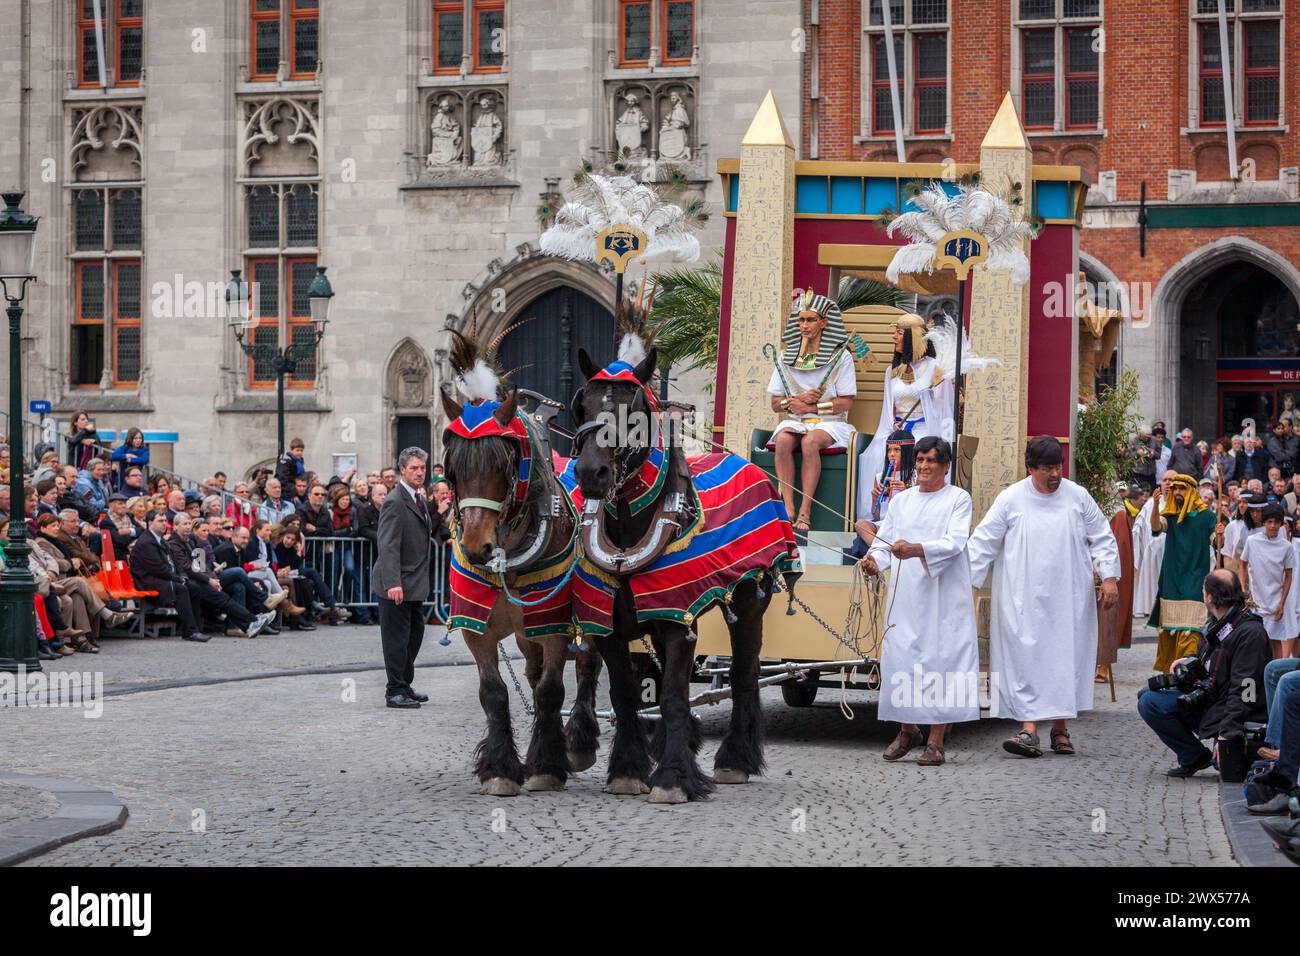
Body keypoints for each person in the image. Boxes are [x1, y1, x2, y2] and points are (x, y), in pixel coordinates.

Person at [967, 436, 1120, 758]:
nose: (1055, 474)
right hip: (1022, 597)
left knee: (1063, 658)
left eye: (1058, 467)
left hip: (1069, 595)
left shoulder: (1077, 497)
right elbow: (983, 542)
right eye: (1047, 468)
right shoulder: (1011, 499)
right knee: (1027, 658)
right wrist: (964, 584)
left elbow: (1102, 537)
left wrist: (1109, 578)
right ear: (1030, 469)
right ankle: (1029, 729)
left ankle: (1060, 728)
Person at [861, 437, 978, 765]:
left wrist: (916, 550)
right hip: (906, 593)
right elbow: (885, 540)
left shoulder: (958, 499)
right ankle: (907, 729)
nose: (925, 466)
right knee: (903, 658)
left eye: (932, 461)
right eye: (921, 460)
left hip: (943, 594)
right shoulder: (902, 501)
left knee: (940, 661)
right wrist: (875, 561)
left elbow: (955, 542)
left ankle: (936, 741)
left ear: (945, 465)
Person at [1137, 569, 1270, 777]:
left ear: (1209, 597)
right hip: (1213, 701)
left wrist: (1228, 734)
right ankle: (1194, 756)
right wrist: (1191, 659)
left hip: (1234, 714)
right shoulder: (1218, 621)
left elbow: (1246, 690)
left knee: (1227, 765)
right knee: (1149, 698)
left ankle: (1223, 747)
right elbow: (1209, 654)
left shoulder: (1250, 633)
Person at [765, 289, 859, 531]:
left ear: (823, 323)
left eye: (810, 320)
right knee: (784, 440)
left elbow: (846, 401)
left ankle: (805, 510)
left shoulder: (841, 357)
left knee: (809, 441)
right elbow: (776, 403)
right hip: (797, 420)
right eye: (801, 320)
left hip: (831, 422)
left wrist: (812, 406)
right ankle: (787, 507)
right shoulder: (786, 357)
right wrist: (795, 401)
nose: (804, 325)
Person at [857, 313, 954, 522]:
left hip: (926, 428)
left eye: (899, 333)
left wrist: (936, 389)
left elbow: (944, 410)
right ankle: (878, 513)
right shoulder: (892, 371)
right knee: (872, 454)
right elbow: (888, 409)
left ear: (913, 337)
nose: (894, 338)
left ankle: (919, 506)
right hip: (897, 429)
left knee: (921, 449)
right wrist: (892, 427)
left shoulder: (935, 369)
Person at [372, 447, 433, 709]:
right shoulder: (395, 500)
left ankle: (404, 684)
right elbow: (387, 545)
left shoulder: (418, 498)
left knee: (414, 636)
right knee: (396, 640)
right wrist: (393, 582)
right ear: (402, 471)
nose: (420, 472)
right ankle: (394, 690)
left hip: (415, 583)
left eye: (422, 468)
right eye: (414, 468)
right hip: (397, 584)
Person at [1148, 473, 1219, 673]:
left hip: (1196, 579)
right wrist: (1155, 505)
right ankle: (1169, 676)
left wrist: (1220, 534)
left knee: (1192, 631)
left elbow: (1216, 542)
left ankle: (1186, 674)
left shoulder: (1207, 516)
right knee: (1170, 632)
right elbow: (1155, 527)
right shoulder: (1169, 515)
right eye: (1175, 488)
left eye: (1181, 488)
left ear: (1190, 491)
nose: (1177, 492)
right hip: (1171, 580)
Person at [168, 513, 273, 638]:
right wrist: (209, 580)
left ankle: (243, 625)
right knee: (224, 596)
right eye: (184, 524)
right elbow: (188, 568)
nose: (188, 526)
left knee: (237, 587)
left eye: (189, 523)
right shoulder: (174, 544)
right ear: (175, 527)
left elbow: (201, 566)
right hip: (189, 582)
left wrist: (213, 578)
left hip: (201, 579)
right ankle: (253, 620)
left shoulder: (190, 541)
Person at [128, 508, 208, 643]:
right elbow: (158, 569)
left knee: (194, 588)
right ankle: (189, 632)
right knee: (181, 588)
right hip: (148, 581)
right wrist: (178, 579)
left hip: (161, 578)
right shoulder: (146, 542)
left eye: (165, 521)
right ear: (150, 523)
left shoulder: (161, 540)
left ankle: (195, 628)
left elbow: (176, 563)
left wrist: (182, 576)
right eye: (160, 521)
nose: (164, 523)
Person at [1240, 503, 1298, 660]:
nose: (1273, 526)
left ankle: (1274, 676)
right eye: (1269, 522)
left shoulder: (1286, 547)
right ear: (1264, 522)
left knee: (1275, 641)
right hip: (1255, 601)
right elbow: (1242, 564)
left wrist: (1281, 603)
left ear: (1281, 524)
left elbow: (1289, 576)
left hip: (1276, 601)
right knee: (1255, 641)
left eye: (1276, 522)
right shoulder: (1252, 541)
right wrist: (1243, 589)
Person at [1097, 480, 1138, 684]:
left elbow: (1119, 548)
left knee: (1105, 621)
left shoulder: (1118, 514)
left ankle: (1102, 666)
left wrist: (1108, 573)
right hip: (1093, 570)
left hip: (1106, 574)